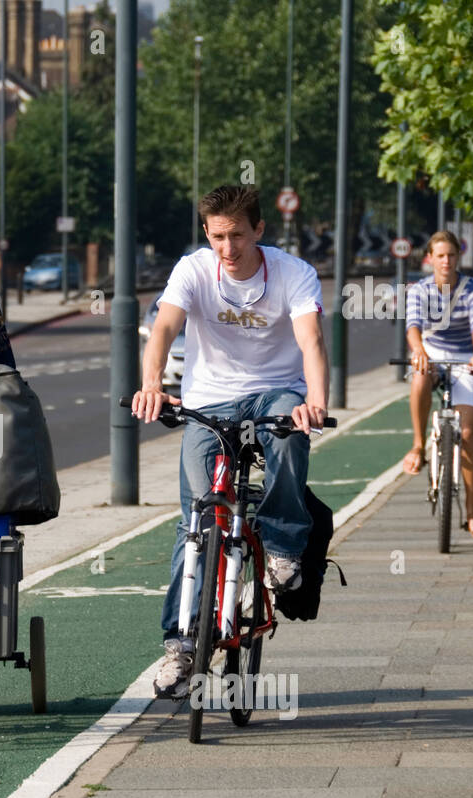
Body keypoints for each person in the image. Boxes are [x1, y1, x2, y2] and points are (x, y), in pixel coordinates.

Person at [131, 184, 329, 699]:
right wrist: (152, 385)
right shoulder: (193, 270)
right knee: (196, 518)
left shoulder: (294, 274)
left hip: (275, 394)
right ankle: (179, 647)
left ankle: (285, 547)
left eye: (237, 235)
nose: (227, 247)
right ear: (206, 233)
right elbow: (164, 330)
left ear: (259, 230)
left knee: (290, 429)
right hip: (210, 400)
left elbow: (311, 341)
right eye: (217, 236)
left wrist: (316, 402)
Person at [400, 230, 473, 538]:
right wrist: (420, 353)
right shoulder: (419, 290)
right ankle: (417, 445)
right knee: (421, 374)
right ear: (430, 259)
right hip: (432, 352)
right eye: (440, 255)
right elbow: (413, 328)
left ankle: (472, 509)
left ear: (458, 257)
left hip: (466, 357)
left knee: (466, 432)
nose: (446, 261)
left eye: (451, 255)